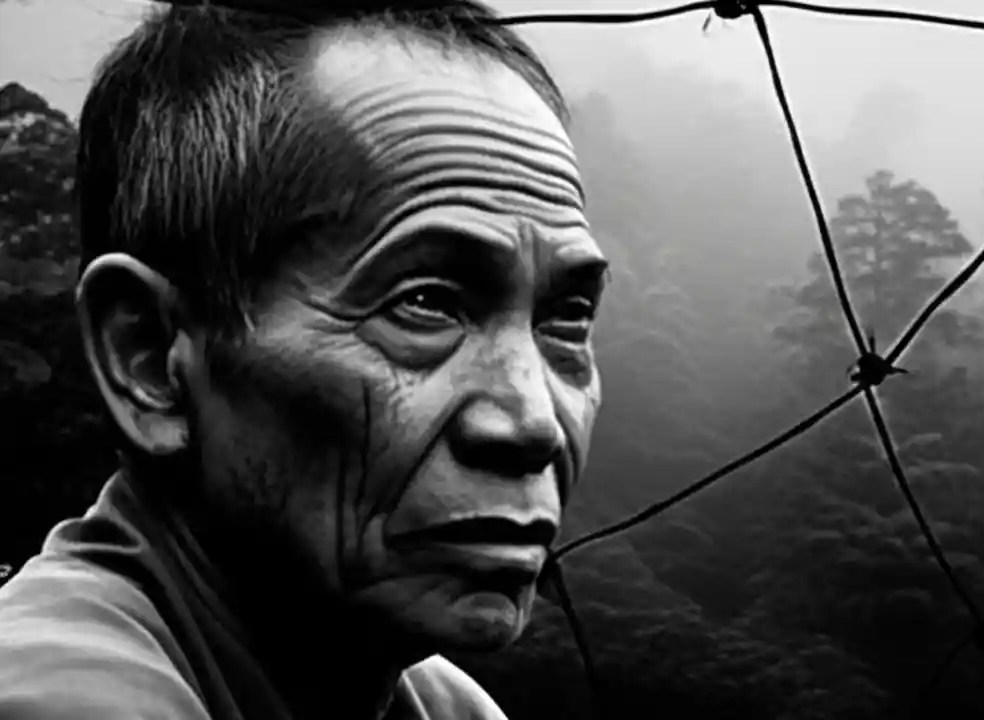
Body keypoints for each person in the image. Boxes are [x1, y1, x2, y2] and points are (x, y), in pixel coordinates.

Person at [0, 1, 608, 718]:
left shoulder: (443, 707)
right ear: (152, 358)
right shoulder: (50, 698)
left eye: (564, 320)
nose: (534, 424)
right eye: (425, 304)